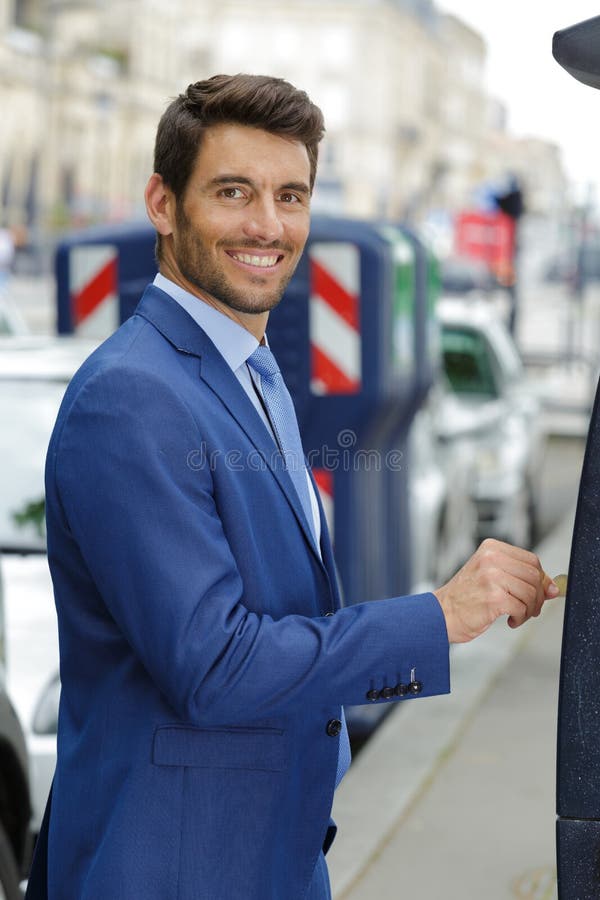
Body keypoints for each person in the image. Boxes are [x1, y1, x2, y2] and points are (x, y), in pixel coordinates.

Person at [28, 75, 558, 900]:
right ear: (162, 204)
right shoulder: (132, 396)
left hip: (266, 853)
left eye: (290, 195)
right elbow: (215, 664)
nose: (268, 226)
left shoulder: (250, 369)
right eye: (233, 192)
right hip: (173, 866)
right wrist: (437, 618)